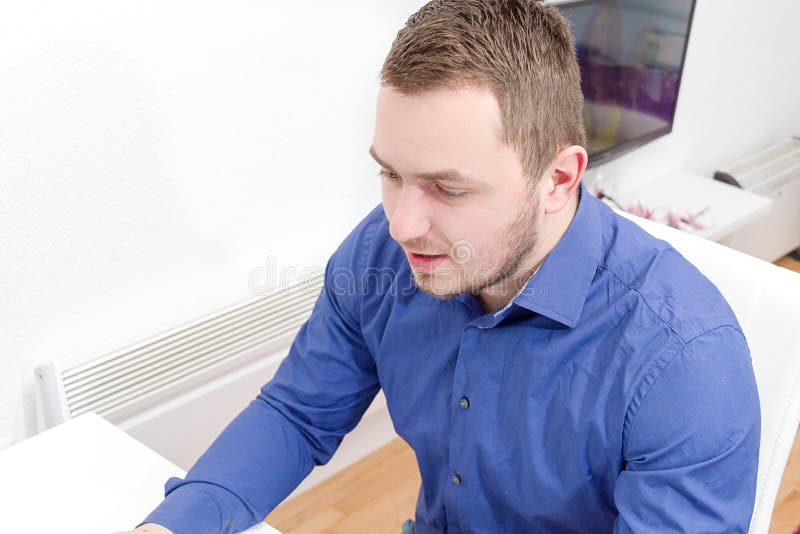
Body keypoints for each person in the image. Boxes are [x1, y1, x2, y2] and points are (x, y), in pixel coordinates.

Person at [121, 1, 760, 532]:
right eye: (390, 173)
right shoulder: (381, 256)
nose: (401, 224)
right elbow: (295, 415)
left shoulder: (684, 364)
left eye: (447, 188)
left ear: (558, 178)